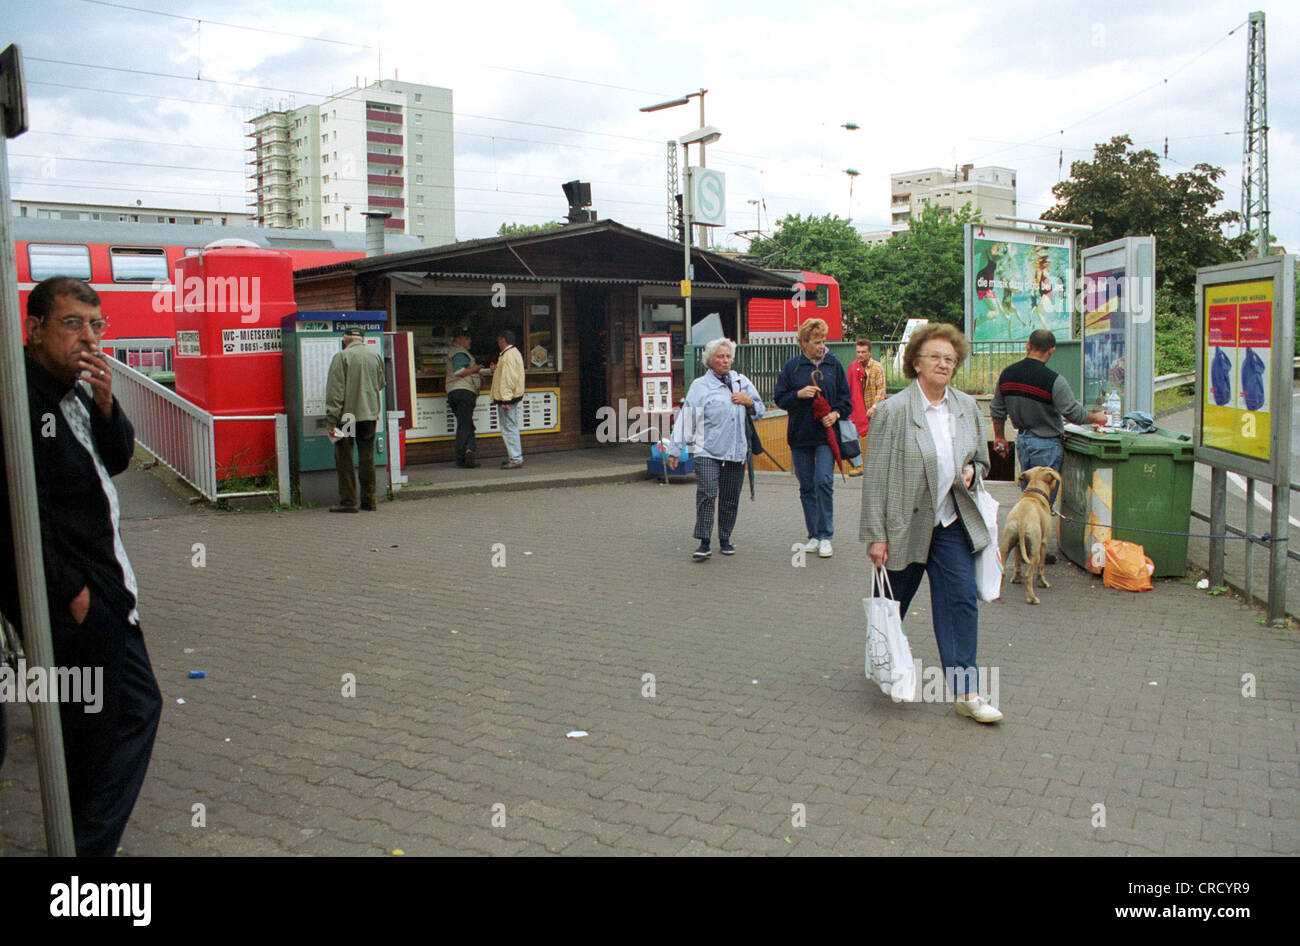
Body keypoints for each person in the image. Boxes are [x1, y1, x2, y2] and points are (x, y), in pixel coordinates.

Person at [0, 276, 163, 853]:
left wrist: (105, 402)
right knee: (96, 737)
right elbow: (16, 509)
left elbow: (116, 459)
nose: (88, 338)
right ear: (34, 328)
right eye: (73, 324)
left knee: (133, 712)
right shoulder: (19, 394)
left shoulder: (76, 387)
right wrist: (72, 594)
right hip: (72, 598)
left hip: (107, 588)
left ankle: (81, 853)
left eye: (97, 325)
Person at [859, 321, 1002, 723]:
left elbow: (982, 458)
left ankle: (966, 692)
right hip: (904, 525)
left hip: (950, 523)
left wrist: (973, 468)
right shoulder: (893, 411)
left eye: (950, 359)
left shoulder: (966, 407)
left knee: (959, 603)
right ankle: (881, 659)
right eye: (935, 357)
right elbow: (876, 479)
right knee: (891, 603)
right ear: (916, 363)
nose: (944, 364)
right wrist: (876, 535)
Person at [666, 337, 764, 560]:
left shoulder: (741, 382)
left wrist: (748, 402)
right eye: (720, 356)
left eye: (728, 356)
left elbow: (759, 411)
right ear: (710, 360)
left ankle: (725, 538)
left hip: (735, 451)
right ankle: (704, 541)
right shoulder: (700, 386)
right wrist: (675, 449)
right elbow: (687, 418)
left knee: (730, 498)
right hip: (707, 451)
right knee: (707, 494)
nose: (725, 360)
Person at [991, 328, 1108, 514]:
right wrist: (1098, 418)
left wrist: (999, 437)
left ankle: (1027, 537)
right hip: (1047, 446)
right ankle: (1037, 540)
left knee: (1029, 500)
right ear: (1051, 350)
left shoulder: (1007, 374)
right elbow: (1074, 413)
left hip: (1023, 443)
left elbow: (997, 409)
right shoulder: (1053, 380)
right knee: (1042, 504)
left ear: (1028, 346)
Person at [774, 318, 852, 558]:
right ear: (804, 343)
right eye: (816, 342)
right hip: (800, 435)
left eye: (823, 341)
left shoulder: (833, 364)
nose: (821, 346)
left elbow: (845, 400)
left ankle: (826, 535)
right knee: (807, 486)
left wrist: (836, 414)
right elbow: (780, 398)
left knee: (824, 481)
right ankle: (813, 535)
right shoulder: (792, 367)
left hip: (825, 436)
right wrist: (798, 394)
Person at [325, 327, 386, 512]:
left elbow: (335, 392)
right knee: (367, 457)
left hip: (349, 416)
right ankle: (369, 500)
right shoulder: (374, 356)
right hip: (369, 415)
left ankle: (349, 502)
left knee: (345, 457)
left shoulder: (342, 357)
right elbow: (381, 383)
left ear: (345, 340)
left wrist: (331, 419)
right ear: (363, 339)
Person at [845, 336, 887, 476]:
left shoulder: (877, 368)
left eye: (863, 352)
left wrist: (874, 407)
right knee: (853, 434)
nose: (860, 355)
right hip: (858, 410)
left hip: (874, 409)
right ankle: (859, 465)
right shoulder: (853, 367)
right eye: (858, 352)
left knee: (876, 438)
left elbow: (881, 390)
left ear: (870, 353)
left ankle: (877, 467)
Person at [486, 329, 526, 469]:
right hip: (511, 396)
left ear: (503, 340)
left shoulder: (508, 355)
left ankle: (515, 458)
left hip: (508, 398)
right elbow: (509, 374)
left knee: (509, 428)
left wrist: (506, 400)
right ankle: (515, 457)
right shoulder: (512, 354)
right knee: (511, 427)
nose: (497, 342)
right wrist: (497, 369)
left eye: (498, 340)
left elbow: (508, 379)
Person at [445, 328, 484, 468]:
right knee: (464, 424)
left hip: (454, 392)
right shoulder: (459, 352)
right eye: (467, 338)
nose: (470, 341)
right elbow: (459, 371)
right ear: (458, 339)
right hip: (464, 392)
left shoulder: (455, 351)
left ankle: (469, 450)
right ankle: (462, 456)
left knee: (466, 423)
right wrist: (476, 369)